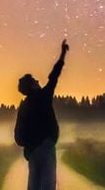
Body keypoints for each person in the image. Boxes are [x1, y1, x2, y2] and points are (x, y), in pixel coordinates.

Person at [14, 39, 69, 190]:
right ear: (32, 86)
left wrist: (28, 146)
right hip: (46, 147)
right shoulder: (43, 96)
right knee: (47, 184)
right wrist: (63, 54)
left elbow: (18, 135)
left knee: (34, 184)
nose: (38, 81)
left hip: (32, 151)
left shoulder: (24, 106)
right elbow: (54, 76)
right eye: (35, 80)